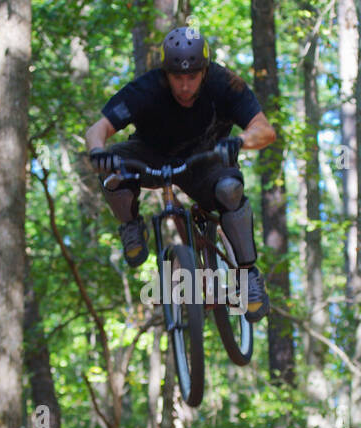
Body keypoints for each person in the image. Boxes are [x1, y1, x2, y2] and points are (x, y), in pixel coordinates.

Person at [84, 27, 276, 321]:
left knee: (229, 189)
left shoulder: (225, 84)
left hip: (205, 159)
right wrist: (97, 152)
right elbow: (98, 129)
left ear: (204, 71)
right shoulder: (148, 88)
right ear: (166, 73)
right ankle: (131, 226)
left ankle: (247, 273)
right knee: (112, 172)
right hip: (151, 156)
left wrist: (239, 142)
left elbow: (264, 130)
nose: (185, 86)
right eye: (177, 77)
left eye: (192, 77)